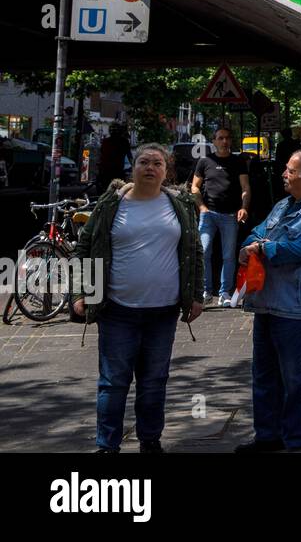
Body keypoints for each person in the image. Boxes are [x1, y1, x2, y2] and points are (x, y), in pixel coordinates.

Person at [71, 144, 204, 453]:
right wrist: (81, 293)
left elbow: (194, 250)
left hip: (163, 311)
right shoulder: (111, 204)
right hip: (117, 310)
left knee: (154, 381)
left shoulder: (179, 204)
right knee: (113, 382)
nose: (149, 167)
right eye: (143, 162)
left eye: (157, 163)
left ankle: (150, 441)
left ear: (166, 171)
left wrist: (196, 295)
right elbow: (84, 247)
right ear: (132, 168)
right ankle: (107, 446)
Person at [234, 151, 301, 453]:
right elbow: (258, 230)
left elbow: (299, 251)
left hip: (298, 309)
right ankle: (267, 437)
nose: (283, 173)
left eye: (289, 170)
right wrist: (249, 246)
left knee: (297, 380)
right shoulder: (284, 205)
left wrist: (263, 248)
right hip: (267, 304)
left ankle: (298, 443)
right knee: (265, 375)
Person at [190, 128, 250, 307]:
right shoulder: (205, 161)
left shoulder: (238, 161)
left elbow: (245, 187)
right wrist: (202, 207)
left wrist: (244, 207)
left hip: (230, 215)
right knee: (204, 251)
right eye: (221, 138)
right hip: (209, 215)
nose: (224, 141)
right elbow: (194, 187)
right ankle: (206, 291)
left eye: (227, 138)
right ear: (214, 141)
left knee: (229, 255)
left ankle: (224, 292)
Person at [95, 123, 132, 195]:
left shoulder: (106, 141)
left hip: (105, 169)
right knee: (119, 190)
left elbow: (101, 155)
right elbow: (129, 156)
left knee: (103, 190)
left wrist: (99, 165)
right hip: (117, 170)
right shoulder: (124, 142)